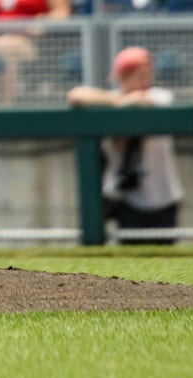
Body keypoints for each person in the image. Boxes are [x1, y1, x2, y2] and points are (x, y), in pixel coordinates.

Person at [67, 47, 183, 244]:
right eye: (129, 73)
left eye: (141, 72)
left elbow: (141, 100)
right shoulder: (115, 98)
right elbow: (76, 95)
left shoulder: (160, 95)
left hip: (162, 197)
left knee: (164, 257)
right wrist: (116, 101)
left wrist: (116, 102)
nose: (138, 78)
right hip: (125, 196)